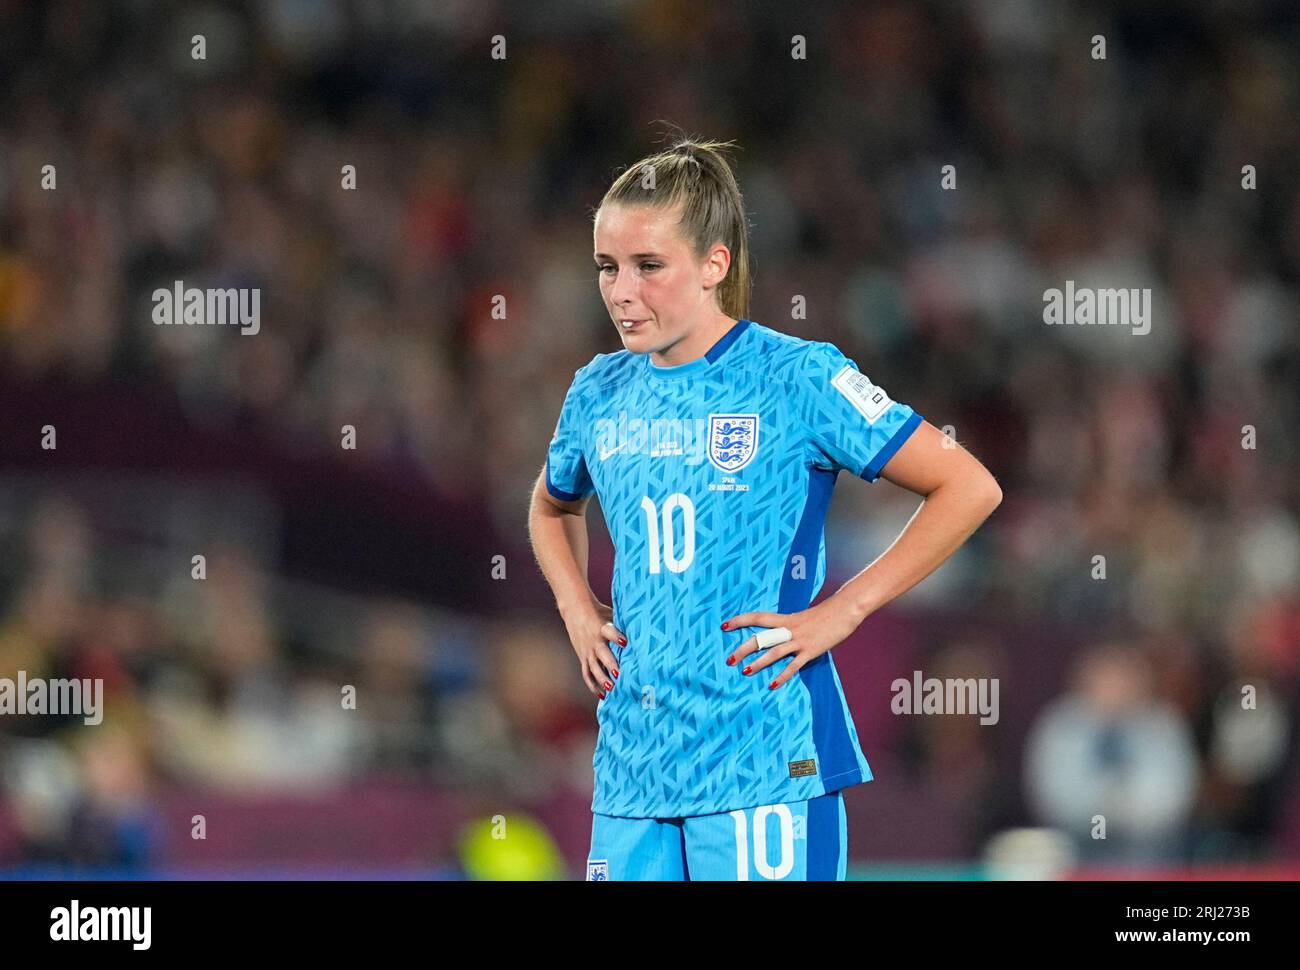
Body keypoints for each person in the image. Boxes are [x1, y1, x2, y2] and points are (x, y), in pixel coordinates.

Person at [527, 135, 1002, 880]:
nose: (622, 291)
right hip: (632, 768)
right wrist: (576, 608)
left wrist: (843, 609)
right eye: (607, 267)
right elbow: (553, 506)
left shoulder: (797, 377)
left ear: (715, 263)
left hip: (764, 756)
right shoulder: (597, 389)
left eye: (649, 266)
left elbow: (969, 486)